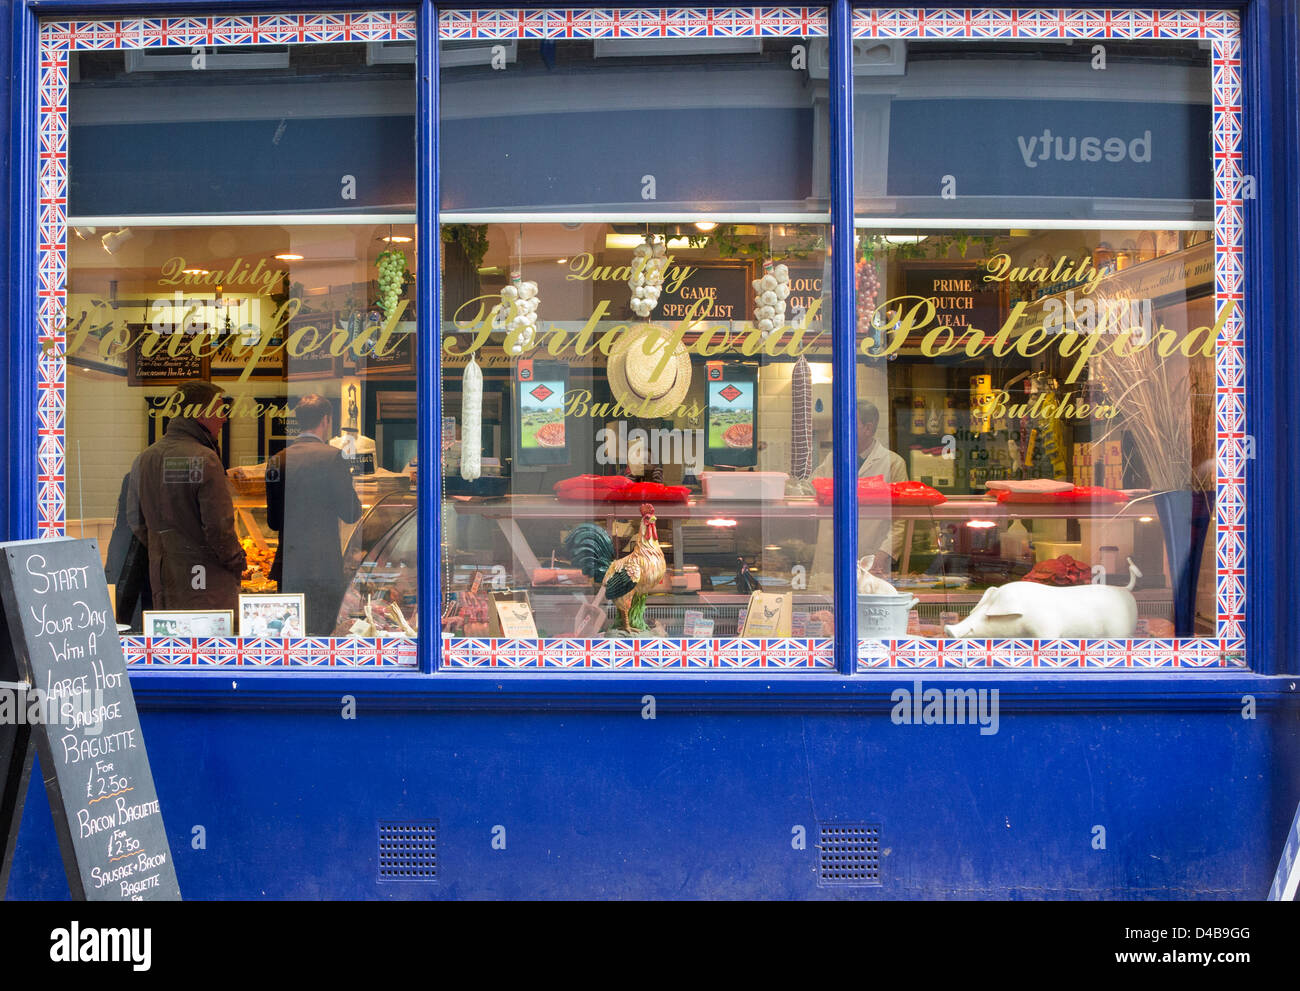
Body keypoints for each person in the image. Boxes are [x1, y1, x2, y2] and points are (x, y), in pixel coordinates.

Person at [127, 380, 246, 611]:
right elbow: (219, 528)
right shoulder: (206, 459)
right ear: (201, 413)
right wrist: (237, 561)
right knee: (207, 644)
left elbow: (135, 520)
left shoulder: (144, 459)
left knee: (172, 642)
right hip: (205, 582)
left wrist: (166, 550)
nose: (224, 418)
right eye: (220, 410)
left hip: (163, 576)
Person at [268, 393, 363, 635]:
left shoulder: (277, 459)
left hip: (288, 566)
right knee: (320, 637)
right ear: (326, 419)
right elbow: (351, 513)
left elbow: (273, 521)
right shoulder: (333, 457)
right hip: (323, 567)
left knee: (290, 635)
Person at [814, 400, 909, 573]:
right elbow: (811, 488)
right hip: (831, 556)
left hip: (871, 558)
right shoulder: (833, 458)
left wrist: (882, 555)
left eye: (850, 424)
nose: (843, 429)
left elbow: (900, 519)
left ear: (868, 428)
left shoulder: (893, 463)